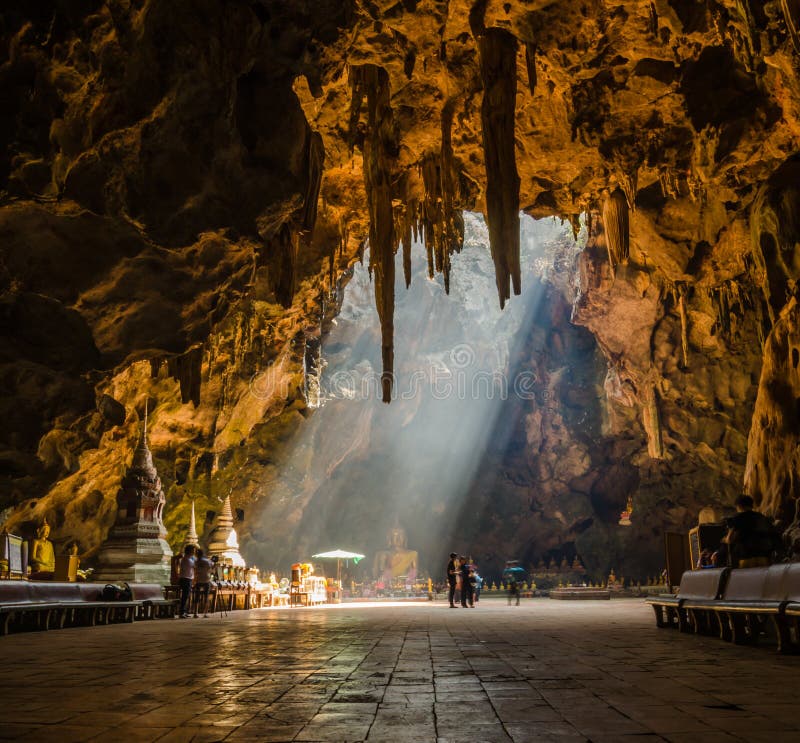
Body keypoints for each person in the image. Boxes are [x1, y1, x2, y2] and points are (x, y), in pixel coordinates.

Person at [724, 495, 782, 568]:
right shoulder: (762, 517)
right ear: (751, 505)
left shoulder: (736, 518)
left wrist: (726, 540)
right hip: (764, 558)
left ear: (738, 506)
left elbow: (729, 539)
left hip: (746, 559)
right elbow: (773, 535)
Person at [193, 549, 213, 618]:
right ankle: (205, 613)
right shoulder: (207, 561)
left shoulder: (196, 561)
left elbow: (194, 570)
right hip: (206, 580)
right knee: (206, 597)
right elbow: (210, 569)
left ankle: (195, 613)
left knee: (197, 597)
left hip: (198, 580)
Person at [178, 544, 196, 618]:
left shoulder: (188, 559)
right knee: (185, 596)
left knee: (186, 596)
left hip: (187, 579)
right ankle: (182, 612)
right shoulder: (187, 560)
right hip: (186, 579)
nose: (194, 552)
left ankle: (184, 611)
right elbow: (195, 566)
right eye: (193, 550)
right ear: (190, 551)